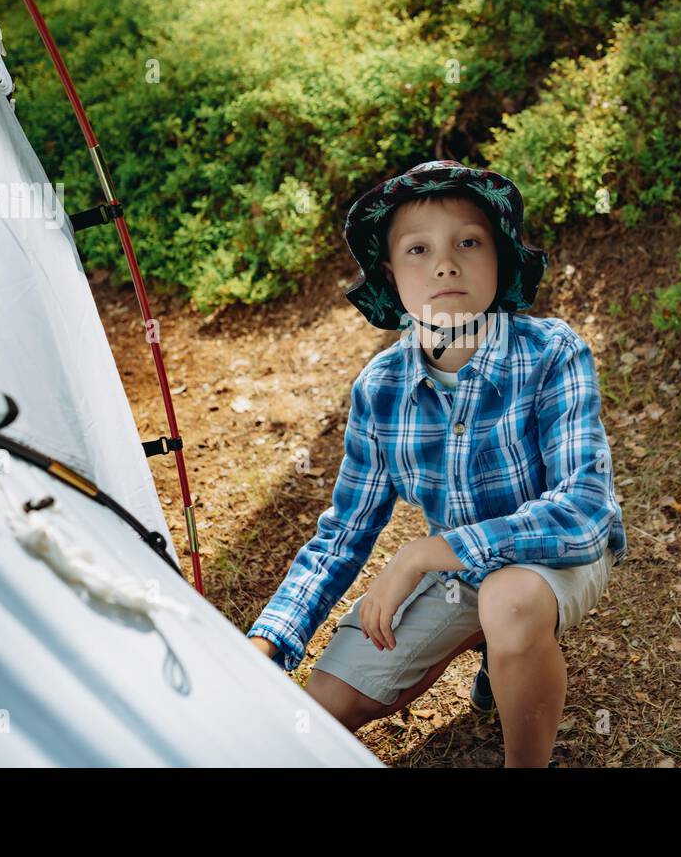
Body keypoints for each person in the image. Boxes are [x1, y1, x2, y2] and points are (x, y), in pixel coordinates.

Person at [246, 159, 627, 767]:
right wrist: (271, 640)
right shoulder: (381, 388)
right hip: (461, 574)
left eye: (468, 242)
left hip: (555, 558)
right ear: (390, 277)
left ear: (500, 258)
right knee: (321, 706)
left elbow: (583, 511)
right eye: (417, 249)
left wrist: (421, 554)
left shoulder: (553, 352)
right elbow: (343, 532)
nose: (445, 263)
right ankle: (491, 647)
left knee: (509, 600)